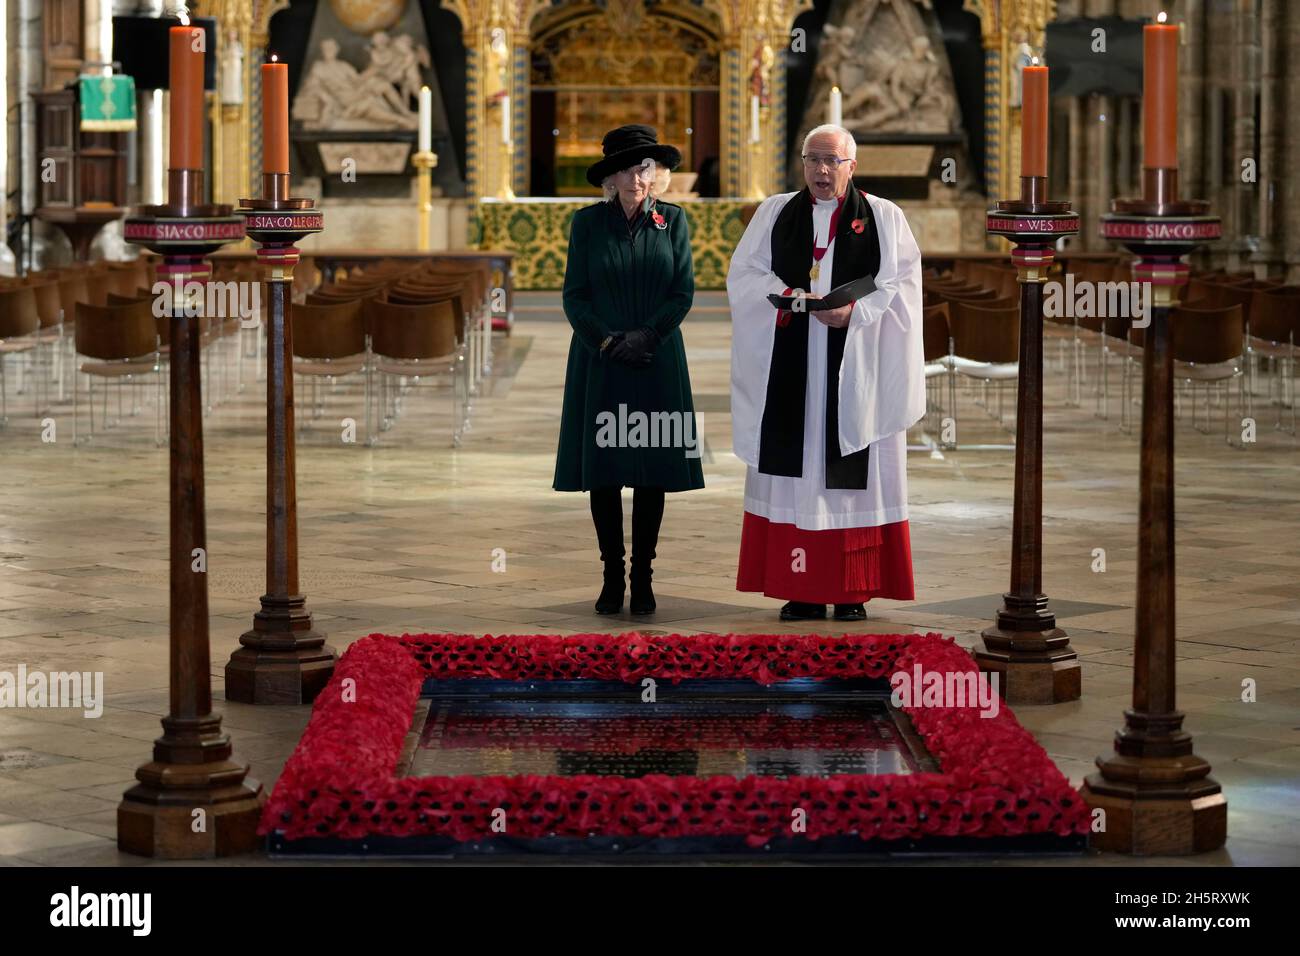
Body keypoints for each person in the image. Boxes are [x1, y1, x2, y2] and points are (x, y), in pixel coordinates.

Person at [727, 123, 924, 622]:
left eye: (832, 160)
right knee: (798, 468)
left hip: (856, 365)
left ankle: (853, 590)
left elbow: (901, 287)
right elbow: (745, 275)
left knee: (852, 462)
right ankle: (803, 589)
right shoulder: (775, 212)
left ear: (851, 166)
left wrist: (855, 313)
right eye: (812, 159)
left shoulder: (883, 216)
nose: (821, 169)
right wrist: (788, 298)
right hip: (791, 361)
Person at [554, 125, 705, 615]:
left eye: (645, 168)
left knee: (650, 470)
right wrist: (607, 341)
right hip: (601, 360)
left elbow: (681, 291)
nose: (637, 178)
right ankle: (610, 575)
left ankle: (643, 576)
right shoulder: (587, 224)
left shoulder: (674, 221)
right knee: (605, 470)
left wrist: (648, 336)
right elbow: (575, 295)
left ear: (655, 174)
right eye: (626, 169)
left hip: (656, 359)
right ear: (611, 177)